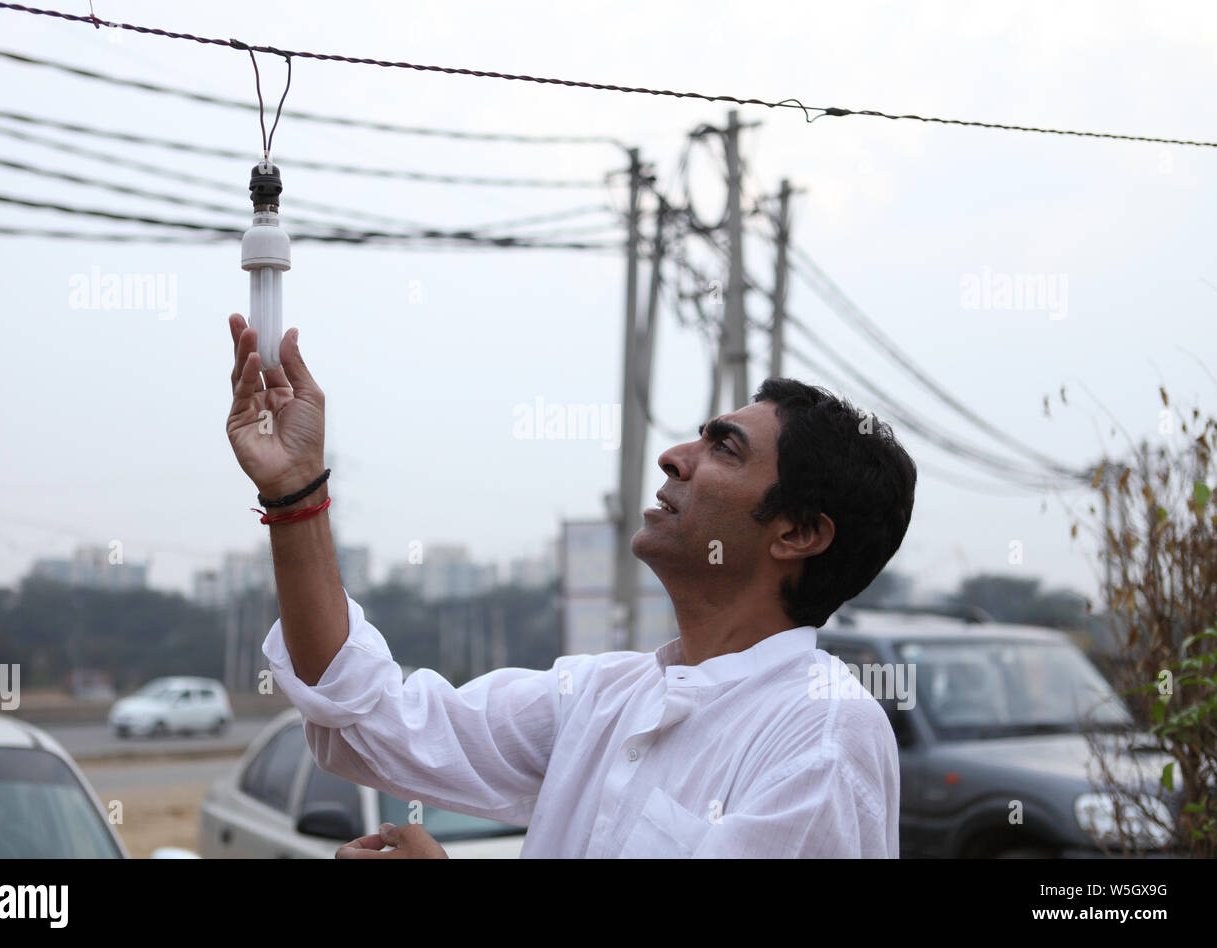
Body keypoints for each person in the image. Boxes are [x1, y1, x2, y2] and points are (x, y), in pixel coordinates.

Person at [225, 314, 917, 858]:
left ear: (798, 533)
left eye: (724, 448)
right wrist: (295, 495)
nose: (675, 458)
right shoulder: (603, 697)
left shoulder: (821, 733)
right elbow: (368, 720)